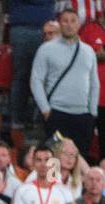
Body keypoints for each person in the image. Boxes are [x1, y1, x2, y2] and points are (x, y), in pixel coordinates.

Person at [31, 8, 99, 157]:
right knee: (54, 157)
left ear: (79, 24)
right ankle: (54, 181)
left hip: (83, 116)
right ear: (60, 24)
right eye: (65, 21)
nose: (69, 25)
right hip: (56, 114)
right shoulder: (46, 49)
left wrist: (92, 113)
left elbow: (94, 84)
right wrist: (45, 110)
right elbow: (36, 80)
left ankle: (77, 182)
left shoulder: (88, 51)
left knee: (79, 158)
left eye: (73, 21)